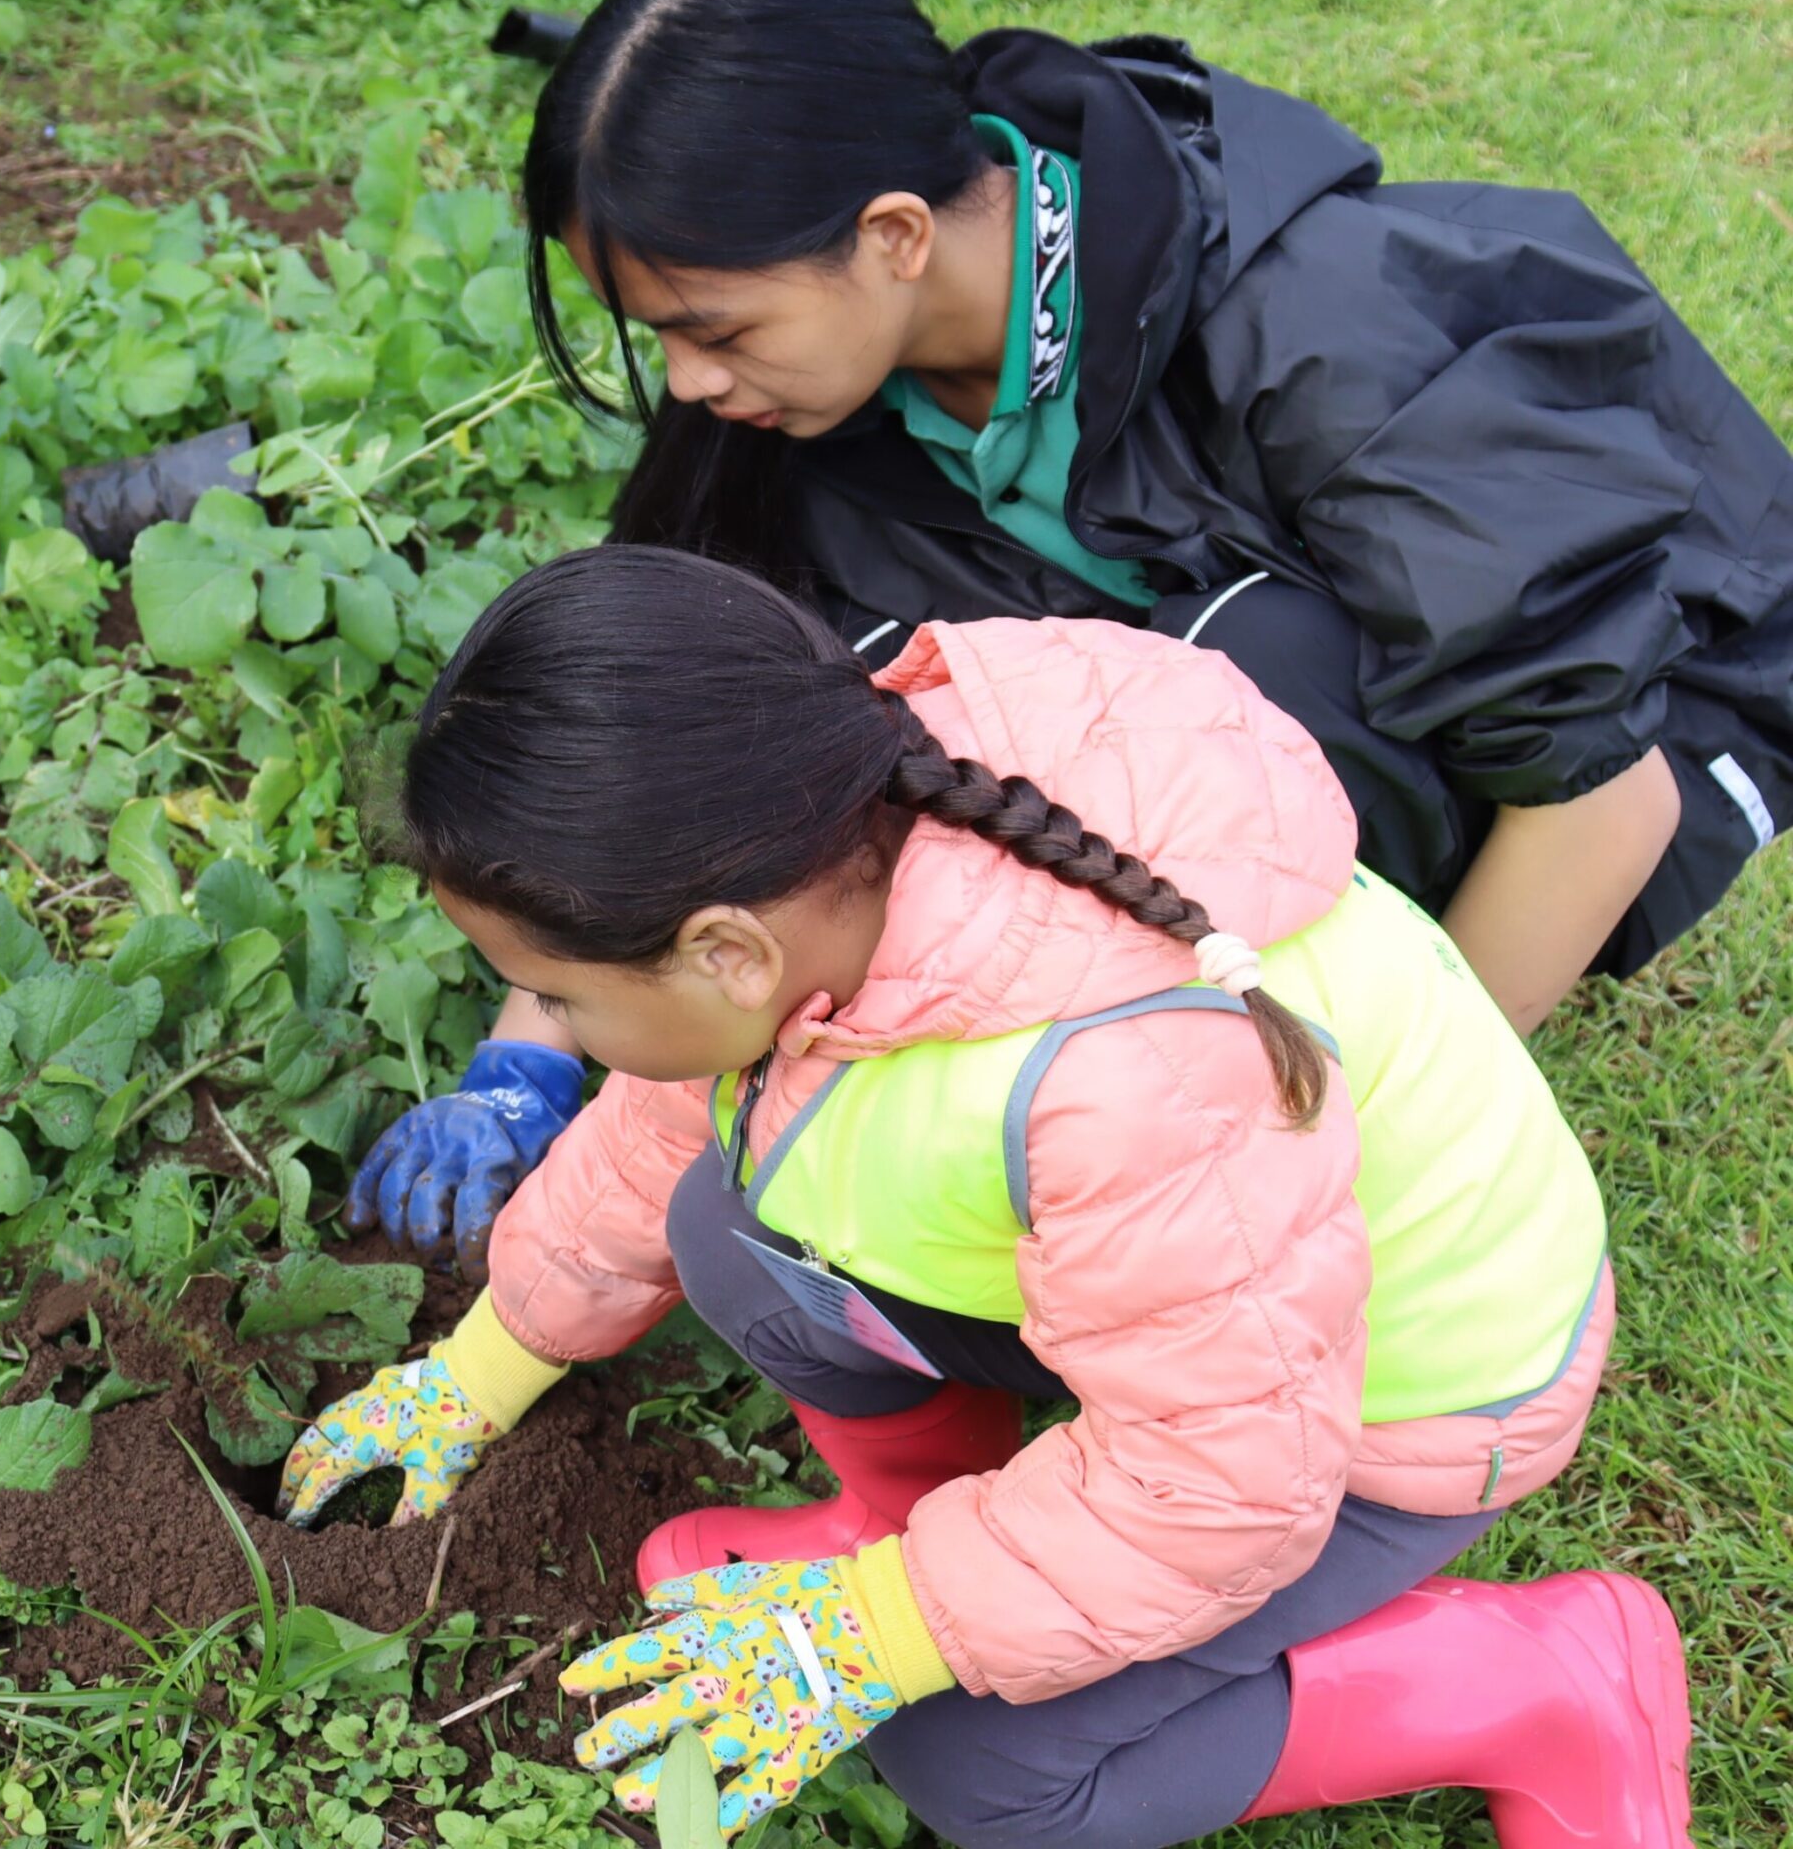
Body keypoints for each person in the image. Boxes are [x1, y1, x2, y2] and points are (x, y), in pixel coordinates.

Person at [350, 0, 1792, 1261]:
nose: (685, 382)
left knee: (1238, 671)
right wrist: (532, 1054)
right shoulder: (805, 407)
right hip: (1261, 703)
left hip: (1622, 725)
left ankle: (1292, 1041)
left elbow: (1600, 797)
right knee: (874, 701)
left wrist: (1372, 1137)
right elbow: (685, 727)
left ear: (895, 235)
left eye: (715, 330)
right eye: (658, 335)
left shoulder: (1320, 334)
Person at [289, 546, 1693, 1849]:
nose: (550, 1027)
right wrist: (478, 1371)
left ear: (723, 952)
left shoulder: (1132, 1080)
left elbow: (1222, 1488)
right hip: (1208, 1309)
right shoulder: (824, 839)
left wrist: (874, 1634)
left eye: (557, 997)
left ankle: (1540, 1681)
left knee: (983, 1767)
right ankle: (932, 1535)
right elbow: (673, 1120)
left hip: (1392, 1403)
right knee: (724, 1227)